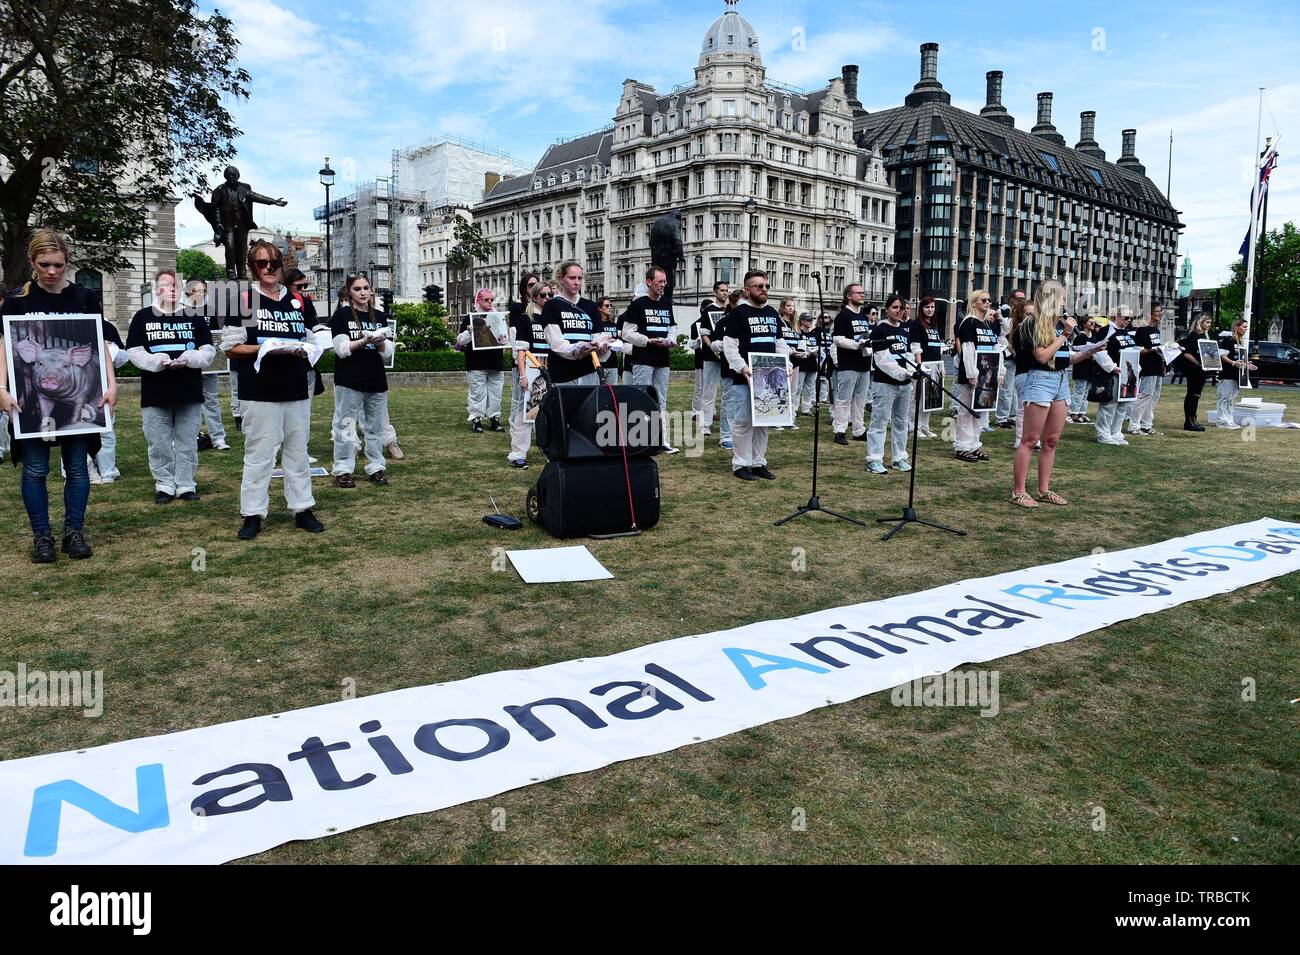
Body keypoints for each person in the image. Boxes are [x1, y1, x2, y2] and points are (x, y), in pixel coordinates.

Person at [0, 229, 119, 561]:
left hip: (80, 394)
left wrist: (111, 383)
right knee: (35, 468)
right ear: (32, 262)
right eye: (44, 264)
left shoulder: (83, 298)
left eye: (58, 264)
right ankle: (42, 537)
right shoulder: (16, 301)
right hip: (31, 398)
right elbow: (3, 346)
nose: (52, 271)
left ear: (67, 262)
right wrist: (0, 388)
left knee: (78, 467)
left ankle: (74, 532)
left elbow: (99, 343)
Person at [222, 239, 330, 540]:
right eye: (261, 263)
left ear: (282, 266)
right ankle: (253, 513)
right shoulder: (243, 301)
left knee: (297, 451)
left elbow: (313, 340)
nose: (268, 268)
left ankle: (303, 507)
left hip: (295, 386)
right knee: (259, 455)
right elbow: (230, 348)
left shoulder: (300, 302)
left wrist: (308, 349)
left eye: (273, 262)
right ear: (252, 268)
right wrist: (265, 347)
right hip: (258, 390)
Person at [126, 268, 215, 504]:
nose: (172, 288)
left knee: (187, 440)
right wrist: (158, 362)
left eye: (176, 284)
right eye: (166, 284)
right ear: (157, 289)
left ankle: (186, 484)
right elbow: (134, 352)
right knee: (159, 441)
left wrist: (189, 358)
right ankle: (164, 484)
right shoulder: (143, 317)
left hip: (188, 389)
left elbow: (208, 351)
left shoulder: (193, 317)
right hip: (156, 391)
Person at [1009, 281, 1091, 507]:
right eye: (1063, 297)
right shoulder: (1032, 324)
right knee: (1030, 439)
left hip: (1060, 380)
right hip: (1039, 380)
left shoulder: (1057, 325)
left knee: (1052, 440)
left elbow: (1064, 358)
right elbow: (1042, 357)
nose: (1065, 301)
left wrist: (1089, 352)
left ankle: (1043, 489)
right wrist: (1065, 334)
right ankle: (1019, 491)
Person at [721, 270, 788, 481]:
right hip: (745, 376)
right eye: (759, 286)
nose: (764, 290)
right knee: (743, 421)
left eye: (766, 286)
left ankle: (759, 462)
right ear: (747, 290)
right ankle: (740, 464)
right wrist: (742, 367)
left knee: (763, 420)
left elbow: (780, 343)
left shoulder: (771, 313)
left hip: (769, 375)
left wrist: (786, 363)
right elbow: (729, 346)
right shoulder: (738, 313)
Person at [329, 273, 394, 488]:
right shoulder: (341, 315)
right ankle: (343, 469)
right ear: (349, 292)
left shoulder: (380, 316)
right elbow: (341, 349)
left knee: (375, 427)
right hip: (349, 378)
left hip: (375, 378)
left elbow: (387, 354)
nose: (363, 292)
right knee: (346, 425)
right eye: (357, 289)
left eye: (366, 288)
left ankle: (376, 466)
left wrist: (380, 342)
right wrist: (365, 339)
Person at [621, 265, 679, 453]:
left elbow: (672, 326)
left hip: (662, 358)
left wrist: (671, 339)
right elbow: (627, 333)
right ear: (649, 282)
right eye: (660, 281)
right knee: (642, 397)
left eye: (664, 281)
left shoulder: (666, 303)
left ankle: (662, 439)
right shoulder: (638, 304)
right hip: (643, 358)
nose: (663, 284)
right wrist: (648, 341)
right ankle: (641, 439)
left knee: (661, 398)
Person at [865, 294, 915, 474]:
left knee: (902, 422)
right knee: (879, 421)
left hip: (905, 384)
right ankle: (874, 458)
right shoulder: (880, 330)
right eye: (895, 307)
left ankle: (899, 457)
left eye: (901, 308)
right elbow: (883, 360)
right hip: (885, 383)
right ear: (886, 309)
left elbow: (907, 354)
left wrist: (915, 368)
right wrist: (904, 373)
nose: (898, 311)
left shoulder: (904, 330)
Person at [542, 260, 608, 387]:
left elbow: (598, 335)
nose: (577, 282)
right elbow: (556, 342)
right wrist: (578, 350)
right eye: (572, 278)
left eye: (579, 278)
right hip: (562, 373)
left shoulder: (590, 306)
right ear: (562, 279)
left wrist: (603, 345)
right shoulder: (552, 305)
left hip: (588, 370)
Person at [508, 281, 552, 468]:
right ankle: (518, 453)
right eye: (543, 295)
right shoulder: (526, 319)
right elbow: (521, 351)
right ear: (535, 297)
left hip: (551, 367)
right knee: (527, 412)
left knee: (550, 412)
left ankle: (552, 451)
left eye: (550, 294)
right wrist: (523, 375)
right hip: (532, 367)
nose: (547, 298)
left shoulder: (552, 319)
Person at [952, 288, 998, 462]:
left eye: (988, 300)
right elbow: (968, 350)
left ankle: (974, 445)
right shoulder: (968, 323)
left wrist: (998, 373)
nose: (987, 303)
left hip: (988, 375)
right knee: (966, 411)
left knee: (981, 412)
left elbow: (995, 349)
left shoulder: (987, 324)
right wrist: (972, 374)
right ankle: (962, 446)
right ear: (974, 303)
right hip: (972, 376)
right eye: (983, 300)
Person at [186, 279, 231, 451]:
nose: (201, 294)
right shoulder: (181, 310)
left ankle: (217, 437)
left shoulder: (209, 311)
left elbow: (215, 336)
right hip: (188, 362)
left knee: (211, 400)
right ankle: (192, 436)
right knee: (189, 402)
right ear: (189, 291)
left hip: (208, 364)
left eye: (204, 291)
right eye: (198, 290)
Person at [456, 288, 506, 433]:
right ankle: (476, 419)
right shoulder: (470, 317)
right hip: (476, 363)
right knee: (477, 393)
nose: (490, 302)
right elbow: (460, 341)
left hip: (495, 361)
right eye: (486, 300)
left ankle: (494, 419)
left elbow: (503, 336)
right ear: (478, 300)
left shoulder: (498, 316)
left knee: (496, 393)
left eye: (491, 299)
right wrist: (469, 331)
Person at [831, 282, 871, 445]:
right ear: (849, 296)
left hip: (864, 362)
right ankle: (839, 430)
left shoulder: (862, 315)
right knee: (844, 399)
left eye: (863, 292)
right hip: (848, 363)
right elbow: (837, 339)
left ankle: (858, 429)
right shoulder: (843, 316)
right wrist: (857, 345)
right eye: (858, 293)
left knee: (860, 399)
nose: (862, 295)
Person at [1092, 307, 1136, 445]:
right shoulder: (1106, 331)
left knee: (1123, 405)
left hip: (1127, 373)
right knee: (1109, 405)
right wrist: (1111, 367)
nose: (1128, 321)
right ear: (1116, 316)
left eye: (1130, 318)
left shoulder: (1126, 332)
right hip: (1113, 373)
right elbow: (1098, 350)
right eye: (1126, 318)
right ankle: (1103, 433)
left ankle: (1116, 432)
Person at [907, 295, 945, 438]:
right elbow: (915, 346)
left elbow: (937, 346)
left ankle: (925, 426)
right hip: (923, 364)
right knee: (917, 398)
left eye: (932, 307)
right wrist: (919, 365)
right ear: (921, 308)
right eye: (927, 307)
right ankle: (913, 427)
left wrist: (942, 367)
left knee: (930, 398)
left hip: (936, 365)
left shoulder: (934, 325)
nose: (930, 310)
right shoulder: (917, 324)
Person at [1130, 304, 1168, 436]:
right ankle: (1134, 425)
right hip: (1147, 367)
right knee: (1144, 396)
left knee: (1154, 397)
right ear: (1150, 314)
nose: (1160, 313)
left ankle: (1147, 424)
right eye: (1157, 311)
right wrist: (1154, 350)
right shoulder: (1142, 330)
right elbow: (1138, 350)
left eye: (1160, 311)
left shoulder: (1156, 330)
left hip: (1157, 367)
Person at [1215, 318, 1257, 430]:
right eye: (1244, 326)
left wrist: (1247, 365)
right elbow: (1222, 356)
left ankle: (1229, 419)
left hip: (1237, 375)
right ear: (1236, 327)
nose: (1246, 329)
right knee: (1224, 398)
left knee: (1231, 399)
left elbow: (1240, 358)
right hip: (1227, 374)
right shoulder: (1228, 340)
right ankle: (1222, 421)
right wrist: (1233, 363)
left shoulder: (1240, 341)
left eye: (1246, 327)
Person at [1176, 312, 1215, 431]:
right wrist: (1197, 363)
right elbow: (1186, 353)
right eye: (1207, 322)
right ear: (1200, 322)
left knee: (1197, 395)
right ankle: (1188, 421)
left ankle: (1193, 419)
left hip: (1203, 369)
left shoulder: (1206, 336)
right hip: (1194, 369)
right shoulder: (1194, 335)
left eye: (1210, 322)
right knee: (1192, 394)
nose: (1209, 325)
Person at [995, 290, 1026, 427]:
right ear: (1011, 299)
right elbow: (1005, 331)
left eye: (1023, 298)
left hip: (1017, 355)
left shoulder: (1021, 313)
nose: (1021, 301)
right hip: (1006, 352)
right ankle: (1002, 417)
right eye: (1018, 298)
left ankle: (1012, 415)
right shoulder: (1005, 311)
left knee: (1014, 389)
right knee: (1006, 389)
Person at [1067, 316, 1097, 424]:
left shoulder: (1093, 337)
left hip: (1090, 367)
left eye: (1094, 323)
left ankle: (1082, 412)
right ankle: (1074, 412)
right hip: (1081, 366)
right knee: (1079, 390)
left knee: (1086, 392)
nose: (1093, 325)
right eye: (1091, 323)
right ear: (1084, 324)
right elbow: (1076, 351)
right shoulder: (1080, 337)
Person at [791, 312, 820, 415]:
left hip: (812, 363)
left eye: (811, 320)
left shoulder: (813, 333)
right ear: (802, 321)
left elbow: (817, 345)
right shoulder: (798, 333)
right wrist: (808, 351)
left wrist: (816, 352)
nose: (810, 322)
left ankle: (806, 408)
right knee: (798, 387)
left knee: (809, 387)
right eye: (808, 320)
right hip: (801, 363)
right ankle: (794, 408)